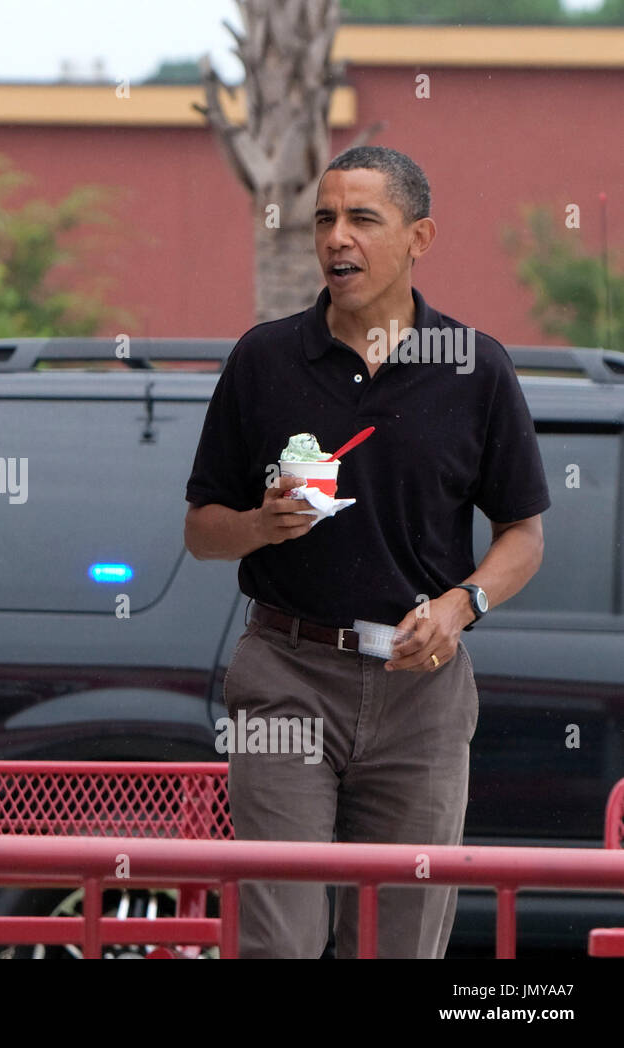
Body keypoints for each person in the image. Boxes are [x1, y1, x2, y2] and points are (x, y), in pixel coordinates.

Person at [183, 146, 548, 958]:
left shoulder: (475, 366)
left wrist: (463, 604)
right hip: (287, 674)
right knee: (280, 942)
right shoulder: (263, 359)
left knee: (399, 944)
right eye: (324, 219)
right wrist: (258, 525)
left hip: (421, 691)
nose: (336, 238)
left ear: (420, 238)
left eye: (362, 219)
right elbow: (201, 526)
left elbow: (523, 536)